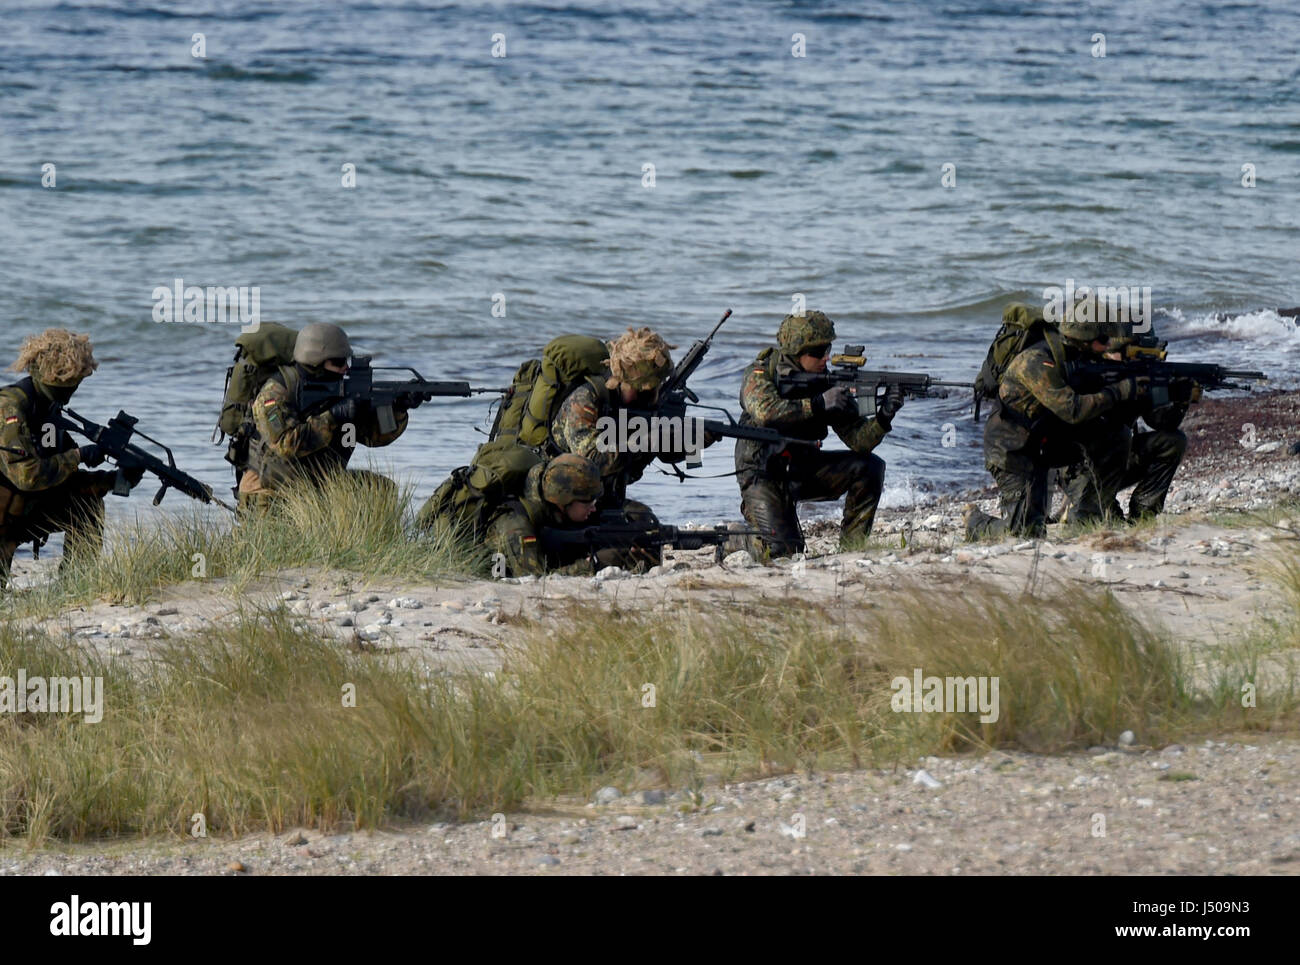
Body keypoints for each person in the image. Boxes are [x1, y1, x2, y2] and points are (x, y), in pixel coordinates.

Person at [965, 305, 1148, 540]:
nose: (1107, 346)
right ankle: (976, 523)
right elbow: (1073, 410)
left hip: (1044, 443)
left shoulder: (1076, 356)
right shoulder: (1037, 361)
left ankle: (1088, 514)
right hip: (1012, 450)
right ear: (1084, 338)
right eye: (1103, 339)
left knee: (1115, 435)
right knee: (1026, 533)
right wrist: (1118, 392)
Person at [734, 310, 901, 557]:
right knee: (783, 552)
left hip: (803, 469)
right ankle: (736, 539)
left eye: (828, 349)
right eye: (818, 352)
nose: (826, 358)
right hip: (763, 474)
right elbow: (765, 412)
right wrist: (818, 405)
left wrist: (883, 417)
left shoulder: (825, 382)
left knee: (869, 467)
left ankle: (853, 549)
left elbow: (859, 441)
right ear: (796, 352)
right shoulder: (761, 373)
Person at [0, 329, 134, 585]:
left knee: (88, 505)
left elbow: (62, 476)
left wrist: (116, 479)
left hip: (21, 514)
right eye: (70, 383)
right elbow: (27, 476)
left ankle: (76, 585)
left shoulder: (48, 411)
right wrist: (79, 455)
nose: (72, 391)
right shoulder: (10, 408)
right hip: (5, 521)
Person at [240, 322, 408, 509]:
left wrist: (397, 410)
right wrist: (334, 417)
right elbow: (285, 445)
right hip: (270, 489)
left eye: (346, 361)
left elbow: (374, 438)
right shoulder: (275, 393)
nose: (345, 368)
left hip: (317, 480)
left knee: (381, 489)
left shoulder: (342, 392)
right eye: (338, 363)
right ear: (315, 362)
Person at [1056, 329, 1191, 526]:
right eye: (1126, 352)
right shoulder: (1087, 374)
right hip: (1079, 468)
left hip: (1116, 462)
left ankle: (1144, 513)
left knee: (1173, 441)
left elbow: (1161, 422)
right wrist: (1118, 393)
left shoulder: (1137, 375)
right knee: (1103, 523)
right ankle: (1076, 504)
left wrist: (1179, 399)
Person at [485, 453, 656, 576]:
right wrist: (594, 565)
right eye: (587, 502)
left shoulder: (560, 511)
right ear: (563, 500)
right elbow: (534, 580)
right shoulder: (517, 525)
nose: (594, 508)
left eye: (595, 501)